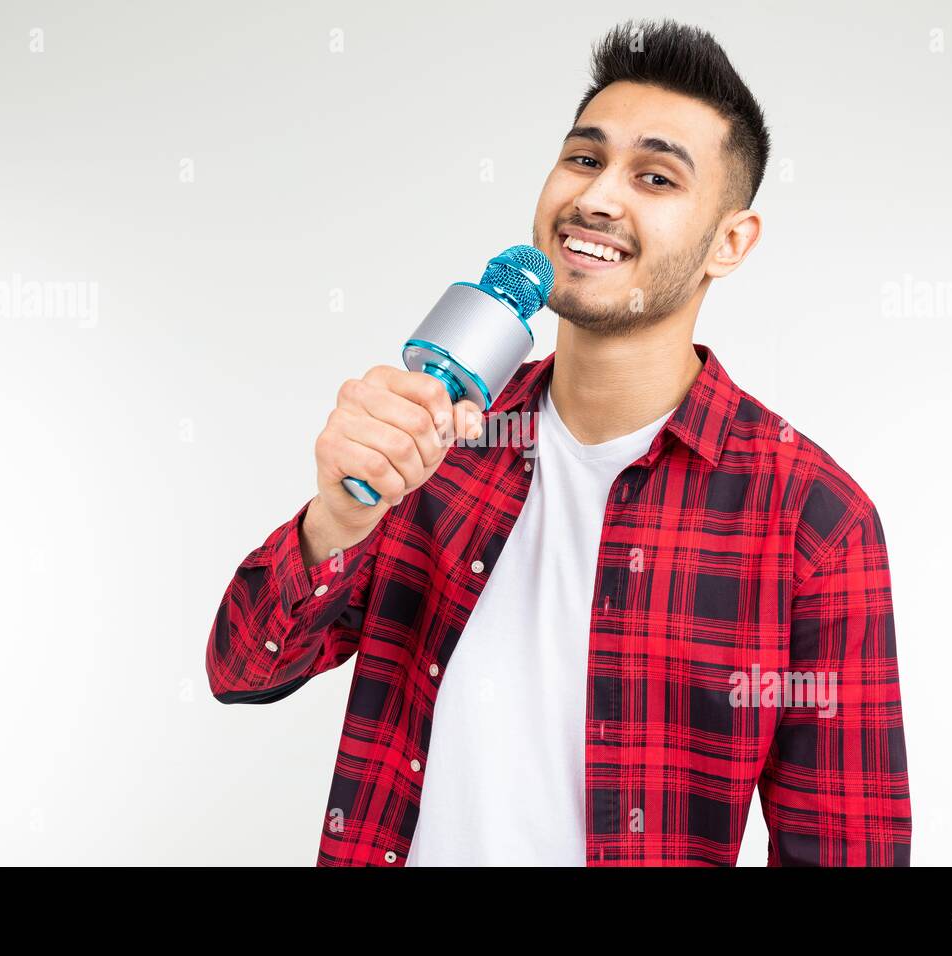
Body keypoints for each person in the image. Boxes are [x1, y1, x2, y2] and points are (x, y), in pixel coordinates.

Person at [206, 17, 911, 866]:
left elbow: (846, 847)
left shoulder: (813, 519)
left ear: (732, 241)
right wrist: (333, 522)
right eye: (585, 158)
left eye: (654, 176)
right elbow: (243, 670)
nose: (598, 198)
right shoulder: (441, 438)